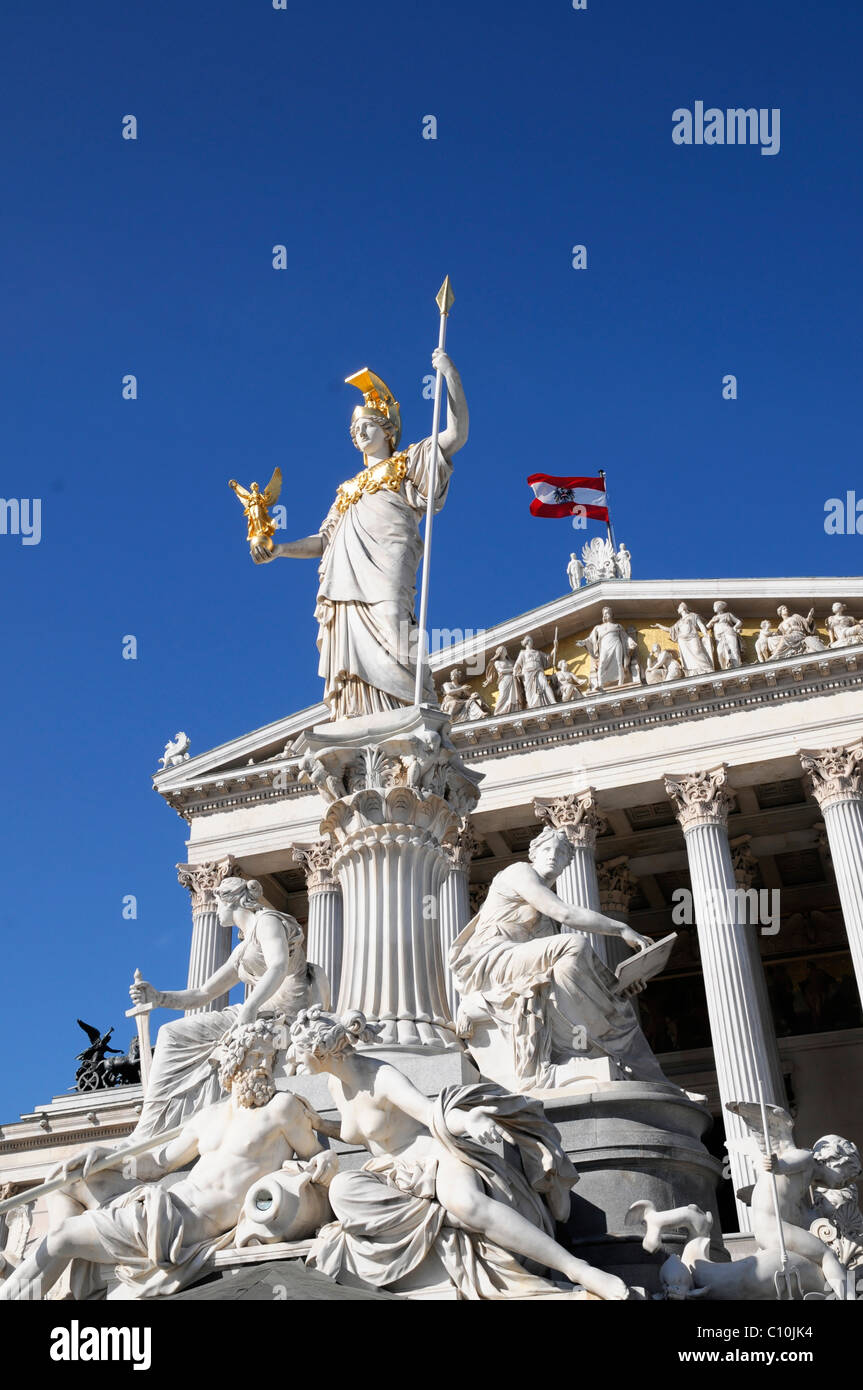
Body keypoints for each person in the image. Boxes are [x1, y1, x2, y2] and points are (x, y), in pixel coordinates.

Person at [289, 1008, 630, 1301]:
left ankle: (578, 1270)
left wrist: (469, 1119)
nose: (293, 1059)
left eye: (297, 1051)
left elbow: (429, 1112)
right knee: (342, 1188)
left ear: (320, 1051)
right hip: (388, 1171)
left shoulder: (381, 1077)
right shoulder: (336, 1083)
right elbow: (359, 1130)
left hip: (431, 1159)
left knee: (467, 1203)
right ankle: (441, 1218)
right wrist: (322, 1124)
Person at [0, 1022, 336, 1302]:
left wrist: (326, 1165)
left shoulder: (282, 1109)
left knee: (61, 1236)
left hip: (183, 1226)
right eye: (256, 1056)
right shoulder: (209, 1117)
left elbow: (318, 1157)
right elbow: (156, 1165)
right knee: (65, 1178)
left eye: (270, 1057)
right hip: (163, 1203)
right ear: (235, 1062)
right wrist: (104, 1155)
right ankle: (81, 1287)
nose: (264, 1066)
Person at [248, 356, 468, 721]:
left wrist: (451, 378)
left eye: (367, 426)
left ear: (387, 430)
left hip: (389, 558)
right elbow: (325, 540)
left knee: (394, 620)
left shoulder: (408, 463)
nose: (360, 434)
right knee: (353, 638)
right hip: (346, 576)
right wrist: (280, 549)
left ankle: (415, 707)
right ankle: (360, 713)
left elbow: (456, 434)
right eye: (355, 432)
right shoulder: (346, 490)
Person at [449, 826, 675, 1094]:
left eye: (561, 853)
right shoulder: (519, 872)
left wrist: (616, 988)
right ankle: (573, 1048)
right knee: (574, 944)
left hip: (516, 962)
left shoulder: (544, 923)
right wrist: (621, 928)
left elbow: (566, 972)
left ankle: (652, 1077)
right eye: (546, 850)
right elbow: (563, 913)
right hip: (490, 961)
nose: (552, 856)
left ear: (568, 862)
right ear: (533, 853)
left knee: (619, 1005)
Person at [127, 876, 328, 1139]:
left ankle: (150, 1125)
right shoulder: (242, 949)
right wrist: (159, 997)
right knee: (171, 1033)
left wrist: (250, 1007)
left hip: (281, 1014)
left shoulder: (267, 922)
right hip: (256, 1011)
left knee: (173, 1035)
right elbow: (203, 993)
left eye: (217, 903)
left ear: (229, 901)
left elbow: (278, 965)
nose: (216, 910)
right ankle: (153, 1121)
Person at [482, 645, 523, 715]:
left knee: (514, 695)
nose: (505, 651)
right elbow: (501, 670)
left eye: (505, 650)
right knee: (503, 695)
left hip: (513, 680)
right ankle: (498, 711)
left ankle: (514, 709)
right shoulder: (497, 662)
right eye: (504, 650)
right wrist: (513, 670)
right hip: (504, 680)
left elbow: (518, 669)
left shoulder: (511, 661)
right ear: (500, 652)